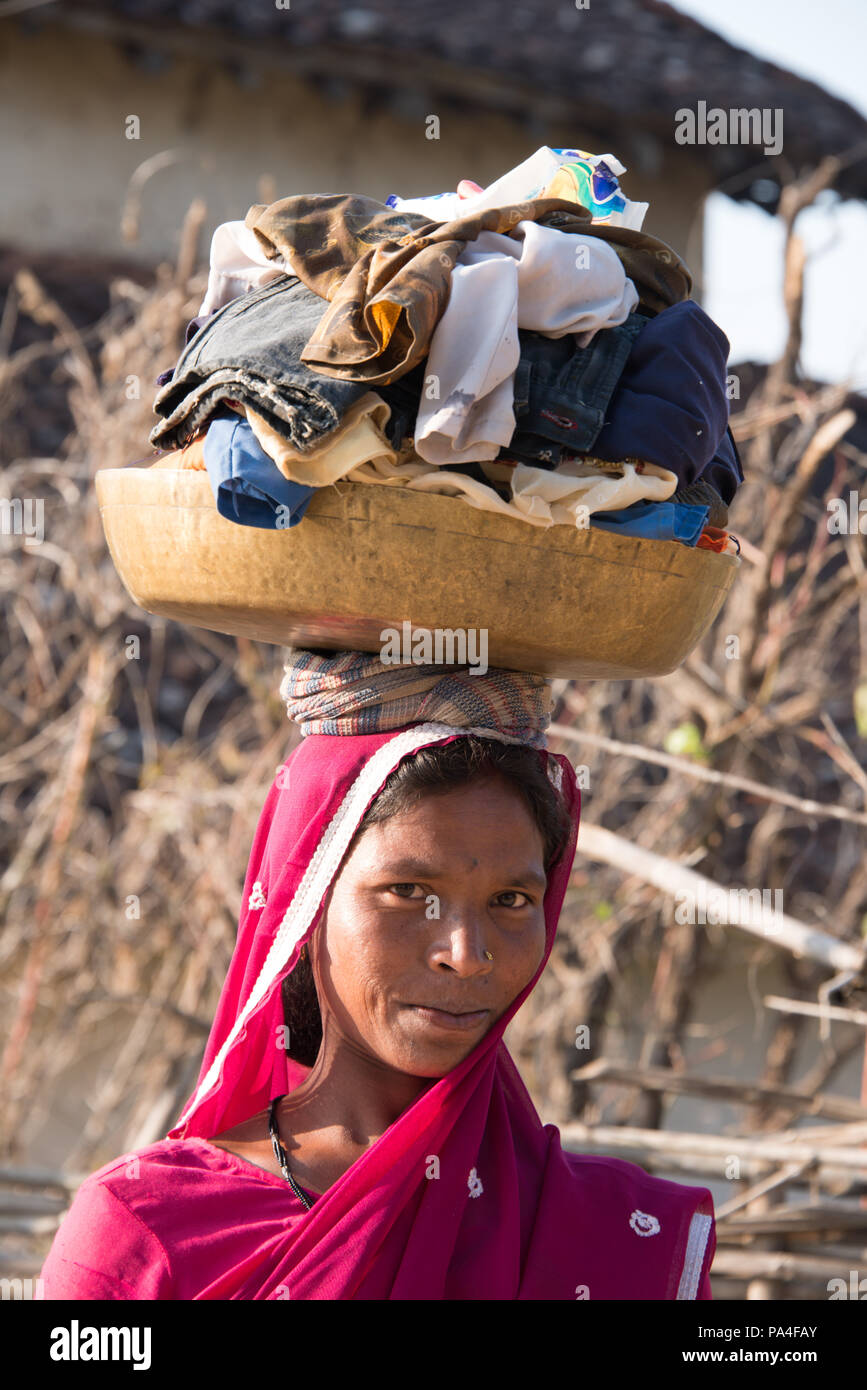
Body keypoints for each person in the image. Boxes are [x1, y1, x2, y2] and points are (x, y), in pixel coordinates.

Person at [40, 650, 715, 1300]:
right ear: (302, 906)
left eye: (511, 901)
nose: (465, 952)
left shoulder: (615, 1235)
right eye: (406, 892)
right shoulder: (151, 1227)